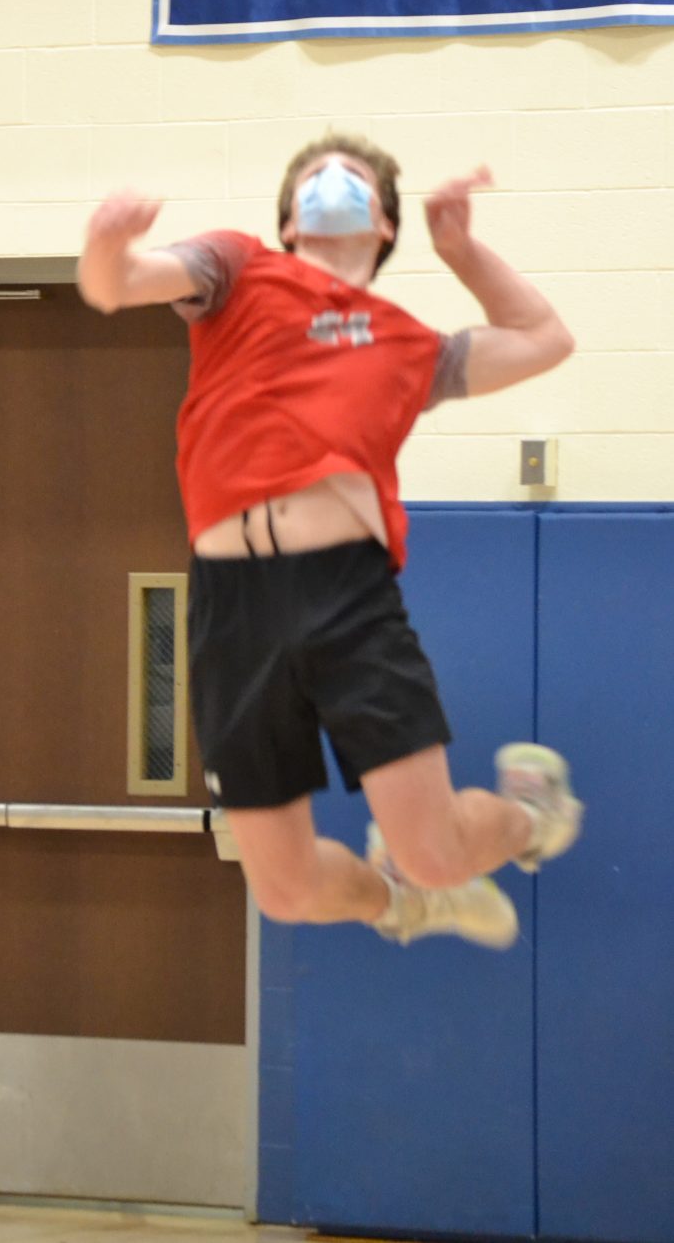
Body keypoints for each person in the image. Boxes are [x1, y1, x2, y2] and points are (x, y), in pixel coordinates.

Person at [77, 133, 582, 949]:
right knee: (285, 889)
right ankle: (397, 904)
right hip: (230, 604)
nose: (332, 182)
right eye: (314, 175)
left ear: (384, 222)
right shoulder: (237, 270)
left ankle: (530, 815)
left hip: (345, 595)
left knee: (437, 850)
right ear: (287, 219)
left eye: (352, 177)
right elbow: (114, 286)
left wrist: (459, 247)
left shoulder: (410, 346)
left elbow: (545, 338)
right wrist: (108, 241)